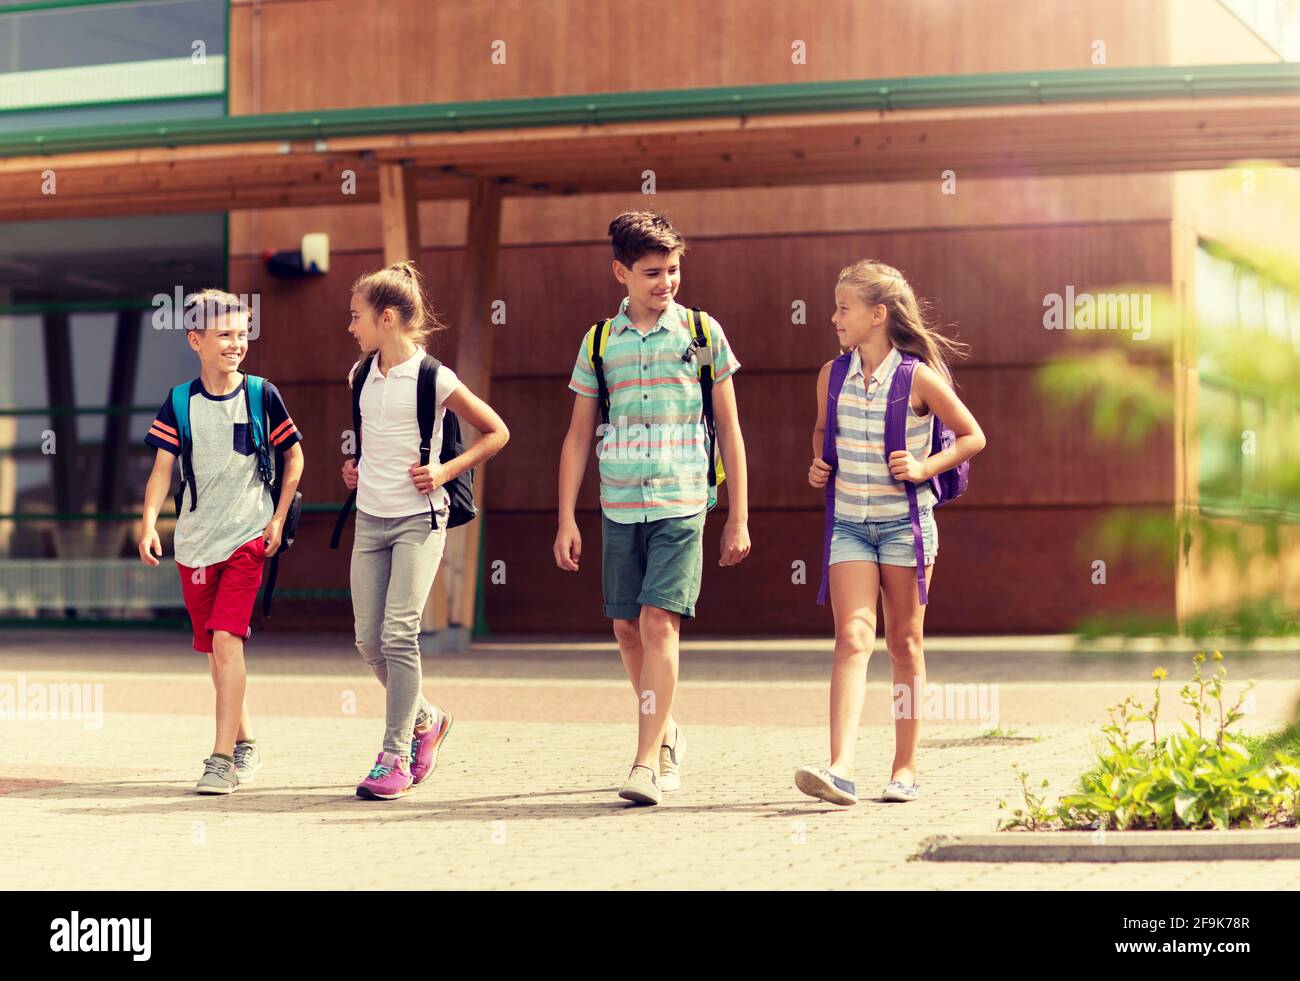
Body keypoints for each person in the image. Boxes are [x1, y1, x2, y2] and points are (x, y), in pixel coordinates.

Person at [554, 211, 751, 806]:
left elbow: (730, 426)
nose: (666, 282)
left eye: (673, 270)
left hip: (683, 498)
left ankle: (646, 760)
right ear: (621, 273)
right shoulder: (599, 341)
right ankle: (666, 729)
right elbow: (577, 434)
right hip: (617, 503)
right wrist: (565, 517)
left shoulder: (701, 332)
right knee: (625, 627)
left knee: (659, 621)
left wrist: (738, 514)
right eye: (652, 273)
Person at [796, 260, 984, 806]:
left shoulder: (918, 377)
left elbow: (973, 435)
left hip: (906, 527)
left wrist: (927, 467)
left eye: (843, 308)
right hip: (849, 526)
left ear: (877, 315)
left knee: (903, 643)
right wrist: (817, 462)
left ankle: (904, 768)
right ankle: (841, 768)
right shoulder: (831, 375)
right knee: (852, 639)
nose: (833, 317)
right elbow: (820, 430)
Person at [341, 261, 509, 801]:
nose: (351, 327)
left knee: (398, 634)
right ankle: (428, 719)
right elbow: (373, 443)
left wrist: (443, 471)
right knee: (369, 640)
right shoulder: (360, 374)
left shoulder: (436, 377)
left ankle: (393, 755)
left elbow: (496, 431)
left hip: (421, 519)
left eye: (357, 317)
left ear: (386, 318)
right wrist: (356, 467)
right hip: (370, 519)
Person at [138, 289, 304, 794]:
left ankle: (221, 759)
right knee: (215, 650)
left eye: (242, 334)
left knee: (228, 641)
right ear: (196, 340)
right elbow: (162, 468)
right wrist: (148, 522)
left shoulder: (262, 394)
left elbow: (295, 458)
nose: (236, 343)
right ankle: (248, 742)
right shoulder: (180, 401)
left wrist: (275, 521)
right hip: (194, 544)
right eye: (225, 335)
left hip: (247, 540)